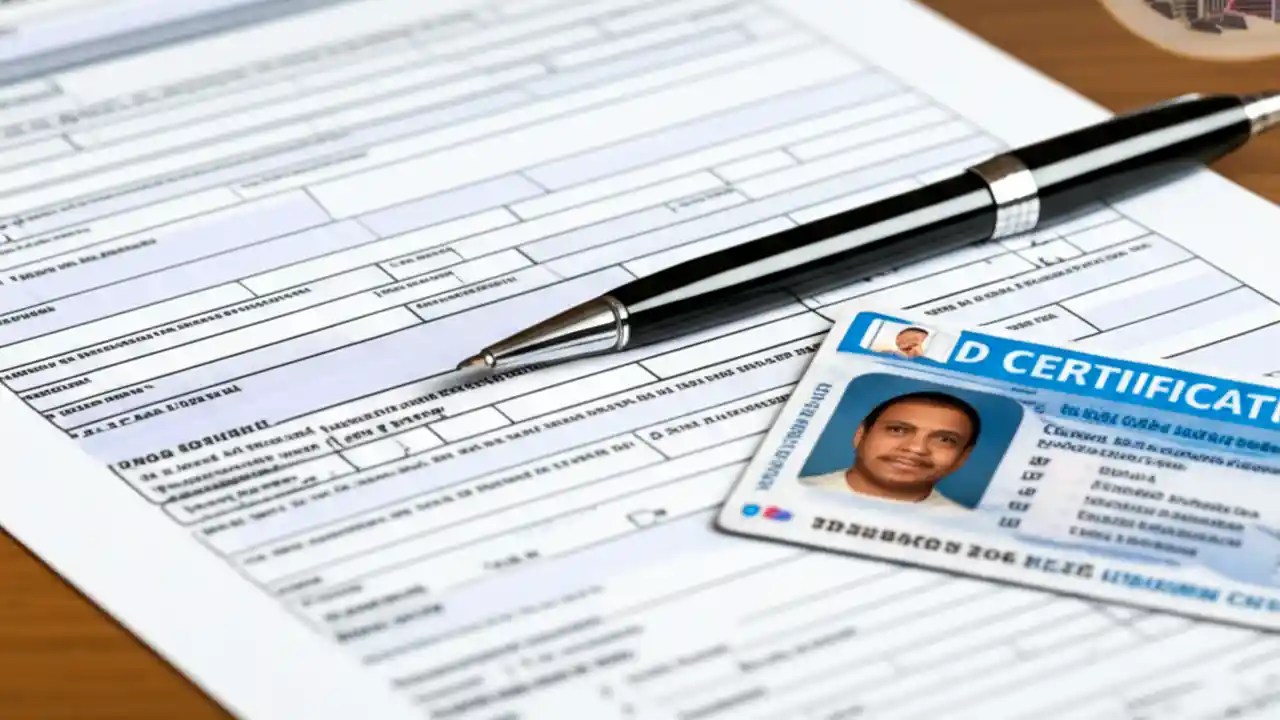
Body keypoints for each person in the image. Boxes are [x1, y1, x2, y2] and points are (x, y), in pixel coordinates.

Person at [803, 391, 979, 510]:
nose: (916, 448)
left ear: (962, 457)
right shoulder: (794, 493)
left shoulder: (967, 526)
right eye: (897, 430)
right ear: (860, 435)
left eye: (945, 440)